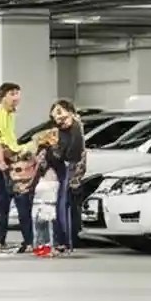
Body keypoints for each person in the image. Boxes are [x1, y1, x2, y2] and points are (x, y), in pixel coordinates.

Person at [0, 82, 38, 253]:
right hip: (5, 162)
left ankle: (1, 240)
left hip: (8, 160)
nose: (17, 97)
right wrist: (7, 159)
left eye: (18, 93)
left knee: (4, 201)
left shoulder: (10, 114)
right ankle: (28, 240)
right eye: (12, 93)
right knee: (20, 200)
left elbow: (10, 139)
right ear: (2, 96)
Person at [46, 99, 86, 254]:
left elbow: (73, 152)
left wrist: (56, 152)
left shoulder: (75, 127)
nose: (58, 116)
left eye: (61, 111)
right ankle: (63, 239)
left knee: (64, 203)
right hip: (61, 169)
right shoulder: (59, 129)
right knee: (62, 203)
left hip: (69, 169)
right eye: (55, 113)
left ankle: (65, 240)